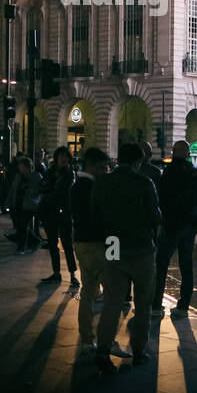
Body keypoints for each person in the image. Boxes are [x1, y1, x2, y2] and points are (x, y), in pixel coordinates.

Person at [91, 143, 162, 373]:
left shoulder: (102, 182)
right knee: (143, 304)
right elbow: (155, 217)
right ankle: (139, 351)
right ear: (137, 161)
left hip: (113, 244)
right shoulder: (144, 183)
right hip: (141, 247)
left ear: (118, 159)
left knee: (112, 300)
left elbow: (94, 213)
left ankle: (102, 349)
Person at [68, 147, 129, 359]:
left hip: (83, 242)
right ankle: (107, 340)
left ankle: (87, 340)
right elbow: (105, 217)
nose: (106, 171)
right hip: (100, 244)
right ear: (92, 166)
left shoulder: (77, 186)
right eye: (103, 167)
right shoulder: (93, 187)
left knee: (89, 291)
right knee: (114, 292)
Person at [153, 140, 197, 318]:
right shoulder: (196, 173)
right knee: (186, 265)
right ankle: (183, 306)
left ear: (173, 152)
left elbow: (162, 198)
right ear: (189, 154)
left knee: (161, 265)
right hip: (190, 224)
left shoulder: (170, 172)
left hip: (171, 224)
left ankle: (155, 305)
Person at [38, 147, 79, 289]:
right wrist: (52, 187)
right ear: (56, 158)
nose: (63, 159)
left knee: (67, 245)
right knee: (52, 244)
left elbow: (62, 191)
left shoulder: (69, 174)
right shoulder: (50, 172)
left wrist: (51, 188)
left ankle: (73, 275)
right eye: (61, 156)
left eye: (66, 156)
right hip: (50, 212)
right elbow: (42, 188)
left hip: (64, 212)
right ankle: (56, 272)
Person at [11, 157, 43, 254]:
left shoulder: (36, 176)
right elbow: (14, 190)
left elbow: (40, 190)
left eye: (22, 167)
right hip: (19, 204)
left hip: (30, 204)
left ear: (28, 167)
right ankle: (34, 242)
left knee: (23, 225)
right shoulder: (18, 176)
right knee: (21, 225)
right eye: (20, 167)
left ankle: (21, 247)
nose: (21, 169)